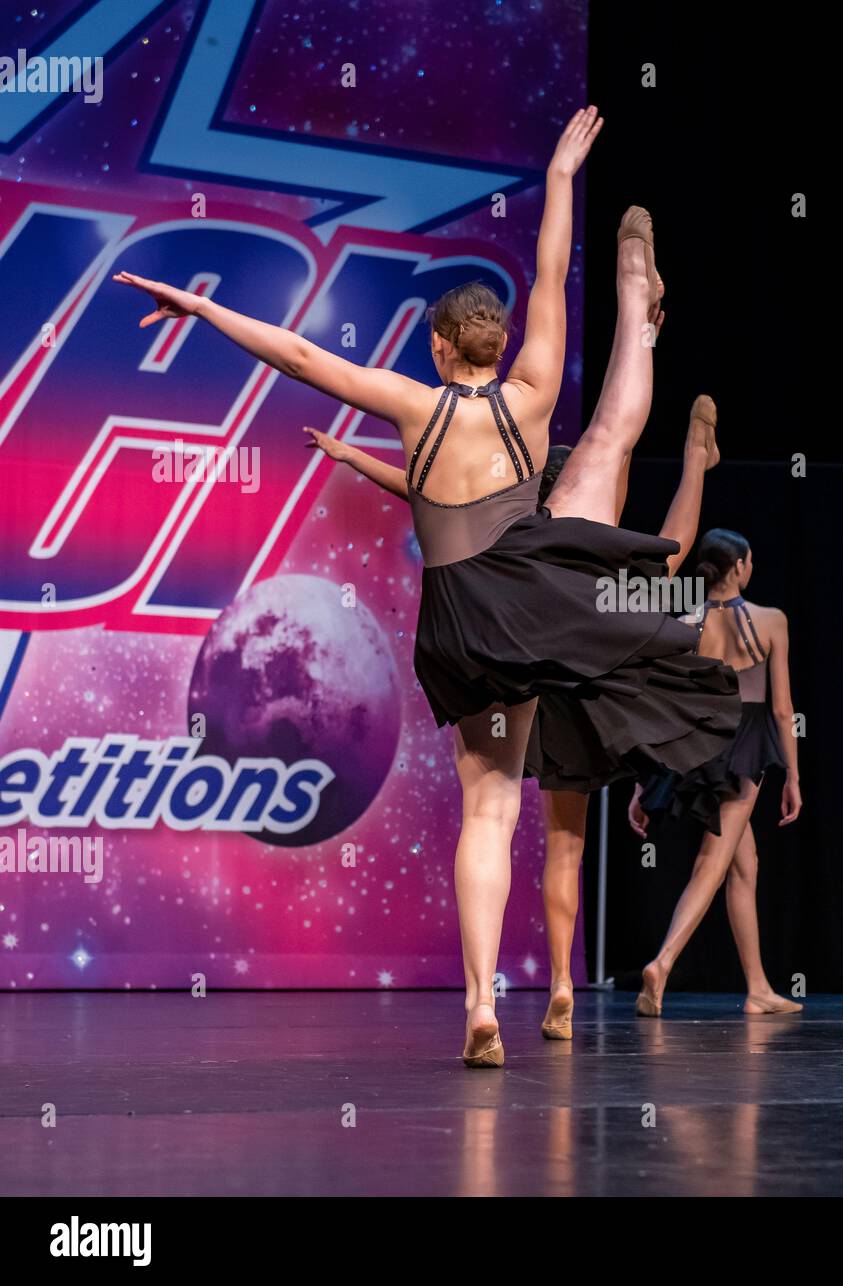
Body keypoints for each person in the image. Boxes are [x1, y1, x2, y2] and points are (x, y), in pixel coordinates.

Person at [115, 107, 739, 1067]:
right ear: (493, 344)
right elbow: (545, 267)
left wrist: (201, 309)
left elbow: (299, 355)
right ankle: (638, 321)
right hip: (533, 604)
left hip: (460, 624)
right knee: (610, 441)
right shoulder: (532, 394)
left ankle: (481, 1006)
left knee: (483, 806)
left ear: (442, 348)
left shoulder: (413, 405)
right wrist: (562, 175)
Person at [303, 397, 721, 1039]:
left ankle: (494, 996)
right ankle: (561, 984)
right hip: (579, 686)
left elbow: (426, 496)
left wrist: (352, 454)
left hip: (519, 677)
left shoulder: (508, 533)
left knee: (494, 819)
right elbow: (658, 538)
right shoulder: (587, 548)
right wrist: (683, 462)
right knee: (569, 847)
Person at [629, 528, 803, 1016]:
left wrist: (645, 780)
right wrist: (791, 774)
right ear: (742, 566)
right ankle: (662, 963)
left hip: (700, 741)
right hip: (745, 744)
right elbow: (784, 709)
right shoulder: (771, 621)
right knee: (713, 860)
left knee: (744, 864)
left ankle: (758, 988)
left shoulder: (686, 623)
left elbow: (663, 709)